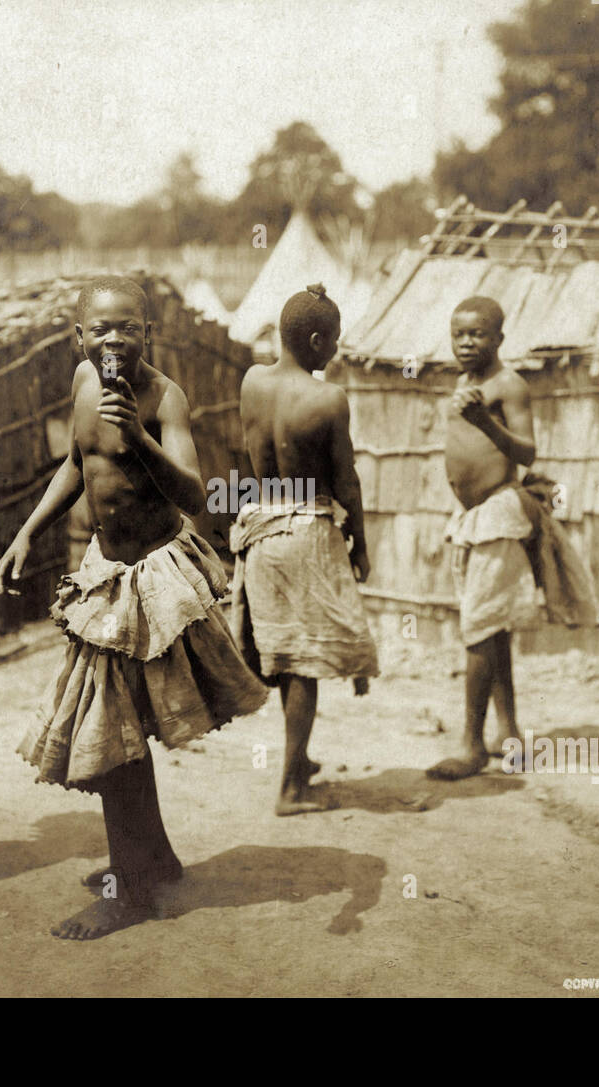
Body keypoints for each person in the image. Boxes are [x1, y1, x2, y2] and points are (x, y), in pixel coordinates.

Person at [0, 275, 268, 940]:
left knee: (113, 733)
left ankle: (132, 890)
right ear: (79, 336)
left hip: (153, 578)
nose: (115, 337)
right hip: (105, 571)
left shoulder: (165, 397)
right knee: (121, 722)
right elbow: (76, 461)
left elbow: (195, 494)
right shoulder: (84, 381)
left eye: (129, 326)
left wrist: (141, 437)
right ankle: (156, 857)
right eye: (102, 327)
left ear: (149, 334)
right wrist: (29, 529)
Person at [230, 284, 377, 815]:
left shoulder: (252, 381)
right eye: (333, 341)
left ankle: (300, 759)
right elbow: (346, 481)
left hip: (260, 527)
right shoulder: (327, 398)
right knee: (305, 663)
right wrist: (359, 540)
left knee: (286, 654)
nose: (336, 351)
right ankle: (291, 788)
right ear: (316, 340)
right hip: (305, 532)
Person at [427, 297, 539, 781]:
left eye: (477, 334)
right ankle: (508, 733)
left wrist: (486, 423)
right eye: (459, 335)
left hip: (498, 514)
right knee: (490, 628)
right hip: (470, 517)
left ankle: (472, 745)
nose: (466, 343)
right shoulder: (462, 384)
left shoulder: (509, 385)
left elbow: (529, 452)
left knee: (477, 627)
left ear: (499, 339)